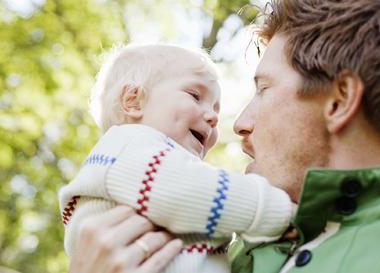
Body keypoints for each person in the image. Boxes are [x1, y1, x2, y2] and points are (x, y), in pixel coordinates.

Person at [68, 0, 380, 272]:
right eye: (194, 96)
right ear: (132, 100)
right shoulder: (247, 249)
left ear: (339, 100)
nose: (238, 125)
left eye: (264, 89)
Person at [59, 44, 294, 273]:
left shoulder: (155, 164)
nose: (212, 116)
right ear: (133, 100)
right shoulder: (128, 145)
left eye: (216, 109)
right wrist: (275, 210)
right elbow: (193, 190)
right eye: (195, 96)